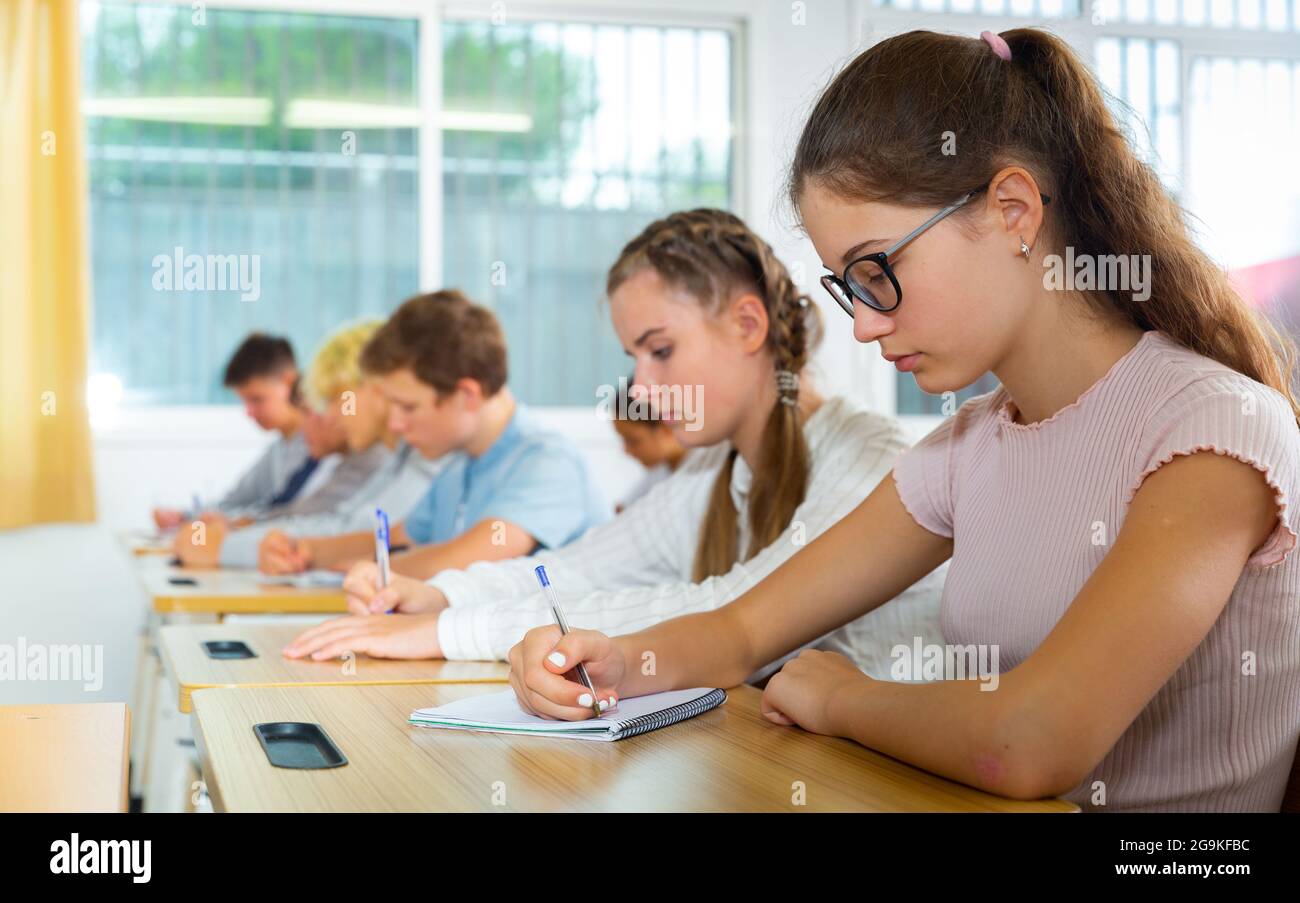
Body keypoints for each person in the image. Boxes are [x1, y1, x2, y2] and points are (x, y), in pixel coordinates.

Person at [507, 29, 1300, 813]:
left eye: (877, 270)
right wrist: (612, 661)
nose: (862, 323)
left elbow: (1029, 741)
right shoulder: (964, 448)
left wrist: (842, 697)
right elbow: (743, 632)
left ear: (1013, 210)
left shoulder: (1213, 429)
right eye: (846, 287)